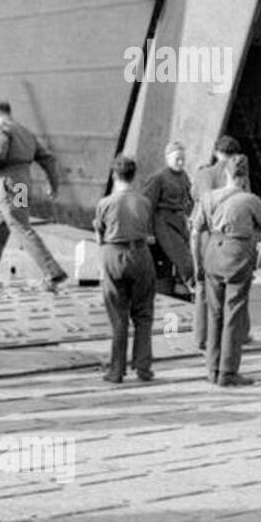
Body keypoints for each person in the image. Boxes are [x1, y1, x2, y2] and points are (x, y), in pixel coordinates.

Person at [191, 153, 261, 386]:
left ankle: (212, 368)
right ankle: (228, 372)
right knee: (233, 312)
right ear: (245, 176)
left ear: (225, 173)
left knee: (214, 312)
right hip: (237, 255)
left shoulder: (208, 197)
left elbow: (195, 231)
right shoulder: (249, 199)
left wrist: (197, 262)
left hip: (213, 253)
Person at [0, 101, 68, 291]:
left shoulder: (1, 130)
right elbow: (48, 158)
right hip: (21, 184)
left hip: (8, 185)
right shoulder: (25, 132)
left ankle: (53, 272)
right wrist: (53, 184)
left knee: (21, 227)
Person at [93, 155, 157, 384]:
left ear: (114, 176)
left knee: (118, 316)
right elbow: (149, 232)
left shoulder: (105, 203)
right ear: (134, 175)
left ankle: (116, 371)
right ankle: (143, 368)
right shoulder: (145, 202)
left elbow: (99, 236)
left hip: (113, 254)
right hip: (140, 254)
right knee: (143, 314)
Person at [190, 134, 242, 347]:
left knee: (203, 286)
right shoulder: (238, 176)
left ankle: (201, 337)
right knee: (232, 290)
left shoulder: (203, 174)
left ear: (215, 152)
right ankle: (232, 337)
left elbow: (194, 196)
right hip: (230, 239)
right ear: (235, 155)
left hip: (205, 235)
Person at [140, 141, 195, 295]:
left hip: (179, 221)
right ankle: (192, 284)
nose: (181, 162)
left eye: (183, 159)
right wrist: (148, 232)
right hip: (163, 222)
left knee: (188, 254)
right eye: (177, 159)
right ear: (167, 158)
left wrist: (192, 217)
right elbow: (146, 206)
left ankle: (182, 286)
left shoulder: (184, 176)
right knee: (184, 260)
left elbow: (189, 200)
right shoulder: (158, 178)